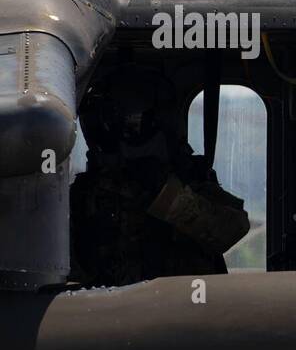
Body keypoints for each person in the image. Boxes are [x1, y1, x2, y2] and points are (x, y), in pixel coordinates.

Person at [71, 66, 251, 286]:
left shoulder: (187, 181)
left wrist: (165, 195)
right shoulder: (86, 195)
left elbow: (233, 229)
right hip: (110, 313)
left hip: (183, 309)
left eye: (134, 125)